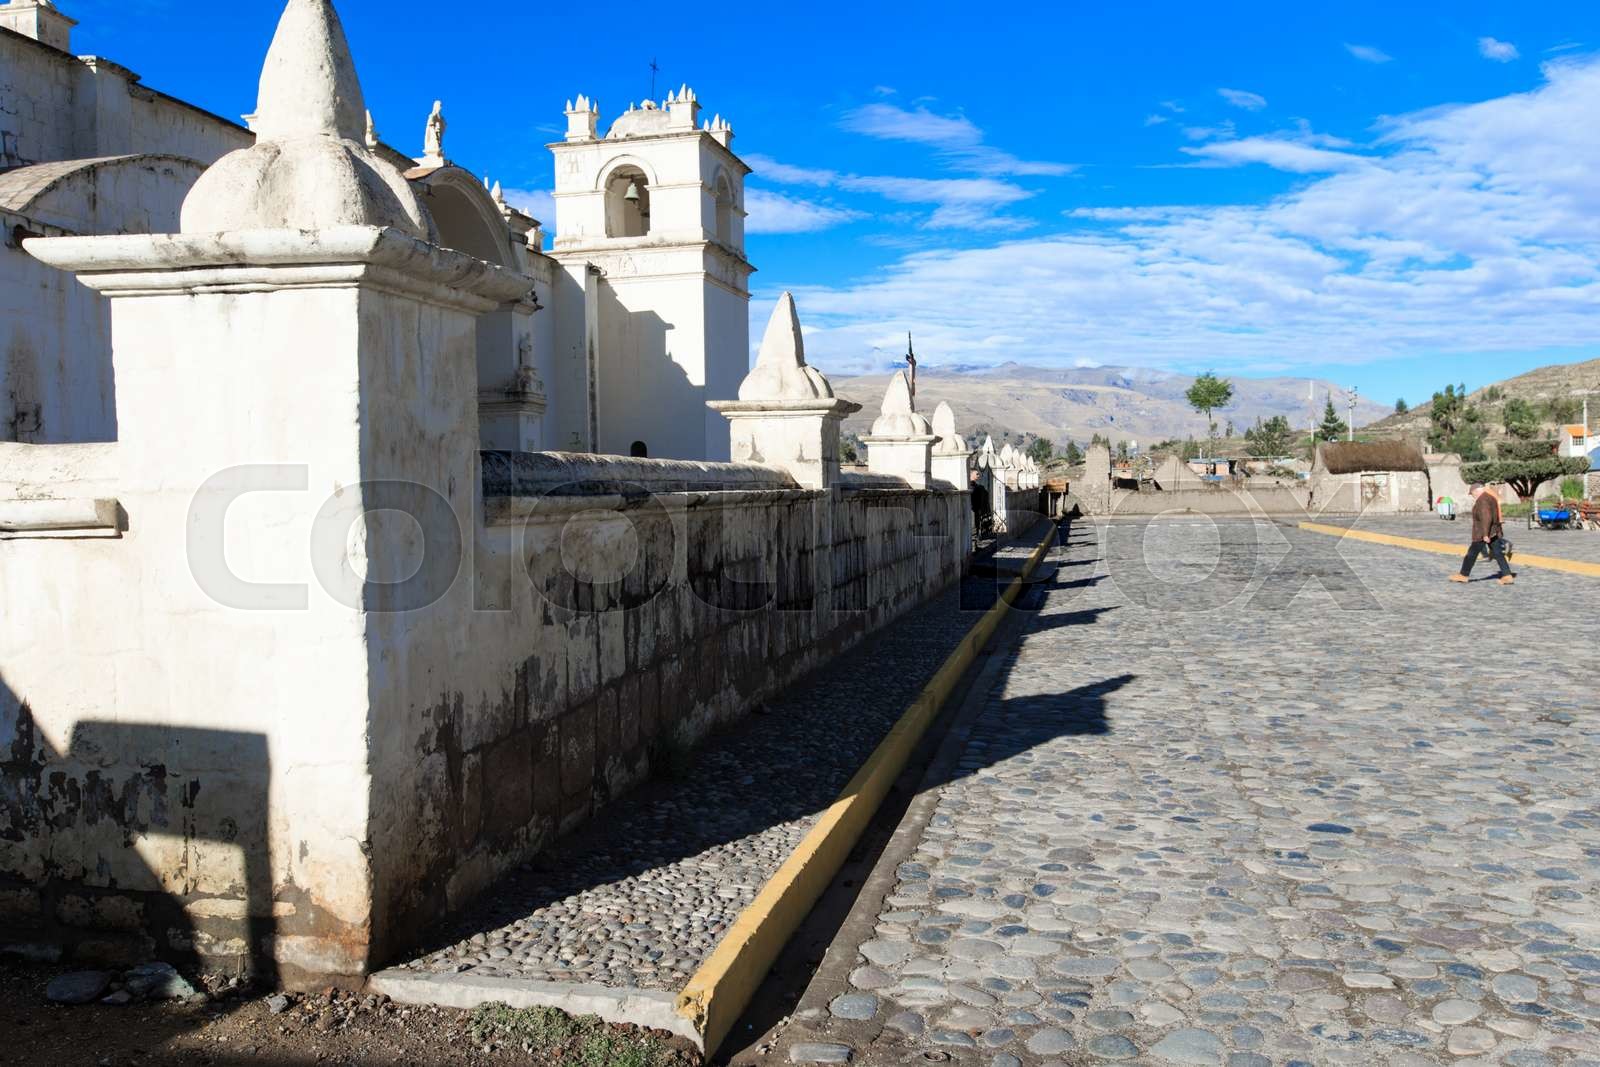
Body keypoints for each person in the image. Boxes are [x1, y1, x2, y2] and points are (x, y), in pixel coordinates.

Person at [1451, 483, 1513, 585]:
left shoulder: (1482, 500)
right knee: (1498, 553)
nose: (1472, 496)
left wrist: (1485, 534)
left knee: (1471, 554)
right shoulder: (1489, 497)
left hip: (1483, 533)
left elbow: (1486, 517)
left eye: (1472, 494)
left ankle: (1463, 575)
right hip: (1493, 531)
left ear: (1476, 491)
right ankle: (1507, 575)